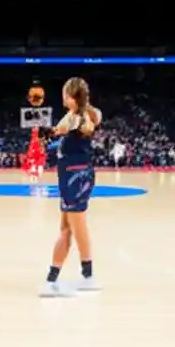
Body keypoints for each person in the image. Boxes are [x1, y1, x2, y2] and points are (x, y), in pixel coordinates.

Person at [40, 77, 102, 298]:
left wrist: (60, 130)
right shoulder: (72, 115)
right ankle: (82, 276)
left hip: (76, 176)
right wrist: (50, 134)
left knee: (75, 227)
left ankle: (58, 279)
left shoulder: (84, 116)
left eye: (66, 95)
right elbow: (60, 129)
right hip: (69, 176)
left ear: (73, 96)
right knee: (68, 228)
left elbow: (85, 124)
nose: (63, 99)